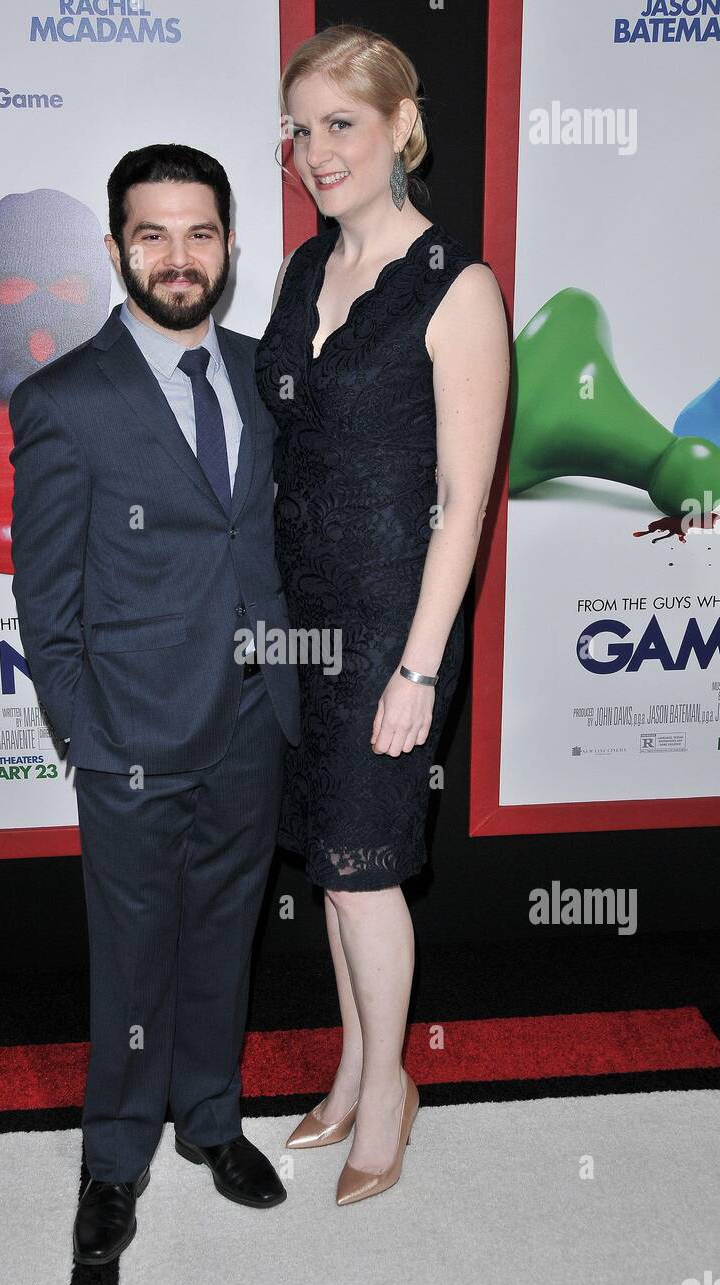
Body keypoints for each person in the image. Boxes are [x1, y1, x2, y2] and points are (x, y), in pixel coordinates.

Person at [10, 145, 300, 1264]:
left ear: (229, 243)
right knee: (132, 952)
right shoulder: (65, 400)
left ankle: (212, 1120)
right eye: (152, 234)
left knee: (225, 932)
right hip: (130, 730)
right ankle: (116, 1154)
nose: (178, 258)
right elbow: (48, 597)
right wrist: (86, 734)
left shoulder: (261, 370)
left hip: (249, 721)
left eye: (199, 233)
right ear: (116, 247)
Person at [255, 25, 510, 1206]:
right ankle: (359, 1071)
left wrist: (416, 669)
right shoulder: (304, 270)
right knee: (332, 868)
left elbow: (463, 502)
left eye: (339, 124)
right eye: (299, 128)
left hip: (390, 627)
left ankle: (389, 1092)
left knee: (362, 872)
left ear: (401, 126)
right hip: (298, 619)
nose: (315, 151)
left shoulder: (455, 282)